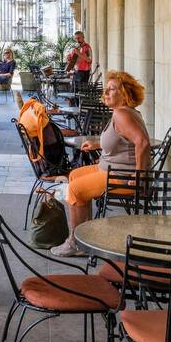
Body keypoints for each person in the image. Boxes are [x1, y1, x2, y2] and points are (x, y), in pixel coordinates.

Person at [49, 70, 152, 257]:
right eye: (106, 88)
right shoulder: (121, 113)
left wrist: (140, 176)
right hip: (110, 168)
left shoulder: (122, 114)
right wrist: (97, 144)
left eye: (111, 89)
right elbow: (122, 140)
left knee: (74, 189)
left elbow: (143, 143)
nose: (105, 92)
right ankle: (87, 236)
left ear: (124, 94)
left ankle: (76, 242)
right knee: (74, 175)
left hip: (121, 176)